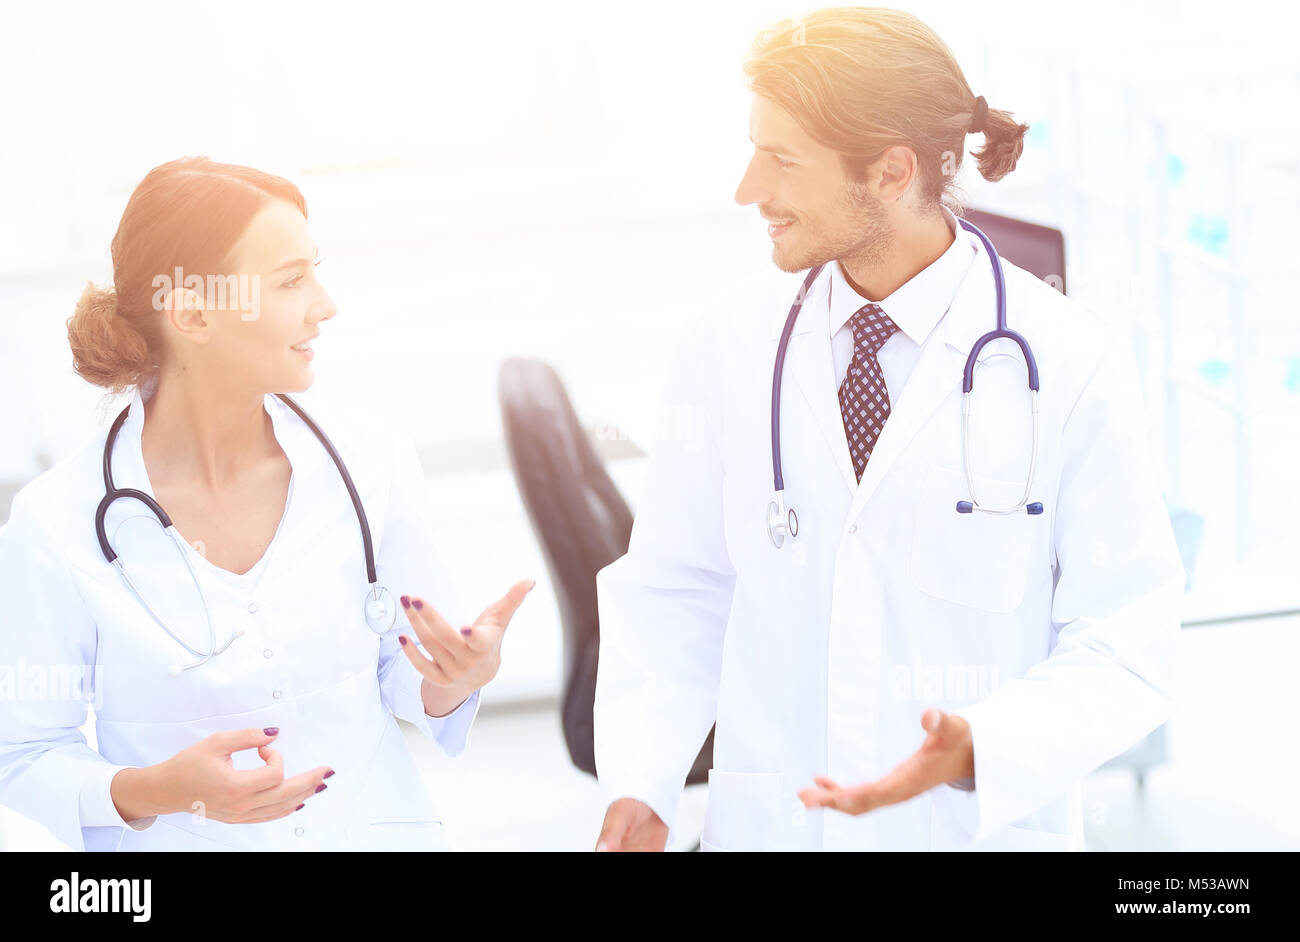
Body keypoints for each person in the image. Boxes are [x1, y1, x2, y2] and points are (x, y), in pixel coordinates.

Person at [592, 7, 1183, 851]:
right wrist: (642, 783)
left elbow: (1127, 637)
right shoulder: (726, 347)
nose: (747, 189)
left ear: (892, 171)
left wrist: (985, 746)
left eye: (782, 159)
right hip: (776, 827)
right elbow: (678, 588)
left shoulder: (1071, 362)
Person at [0, 157, 533, 851]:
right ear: (192, 311)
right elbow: (23, 758)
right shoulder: (57, 523)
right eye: (290, 281)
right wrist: (159, 789)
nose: (325, 303)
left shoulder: (368, 461)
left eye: (314, 270)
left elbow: (413, 680)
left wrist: (459, 677)